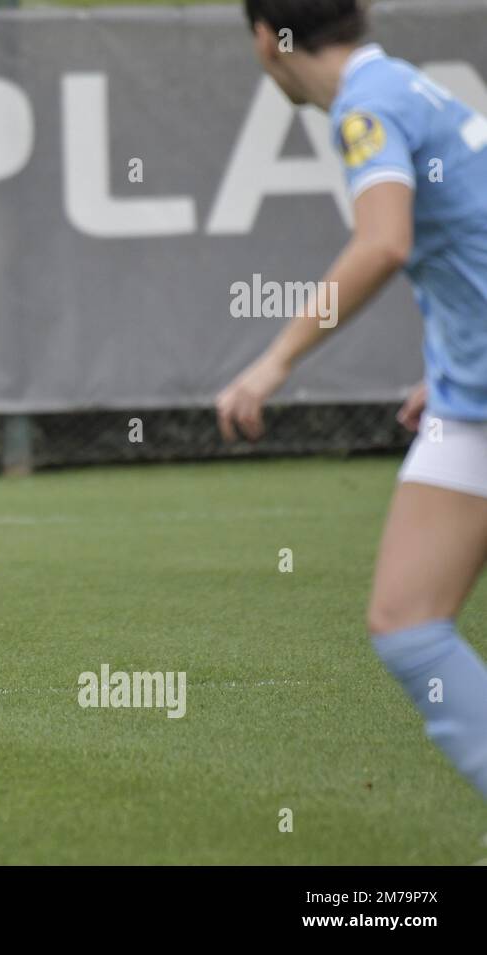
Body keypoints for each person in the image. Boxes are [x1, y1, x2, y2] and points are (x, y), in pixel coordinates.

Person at [218, 0, 487, 797]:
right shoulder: (414, 88)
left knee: (409, 625)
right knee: (408, 622)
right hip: (470, 395)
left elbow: (384, 241)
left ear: (270, 41)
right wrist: (448, 365)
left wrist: (273, 364)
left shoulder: (368, 108)